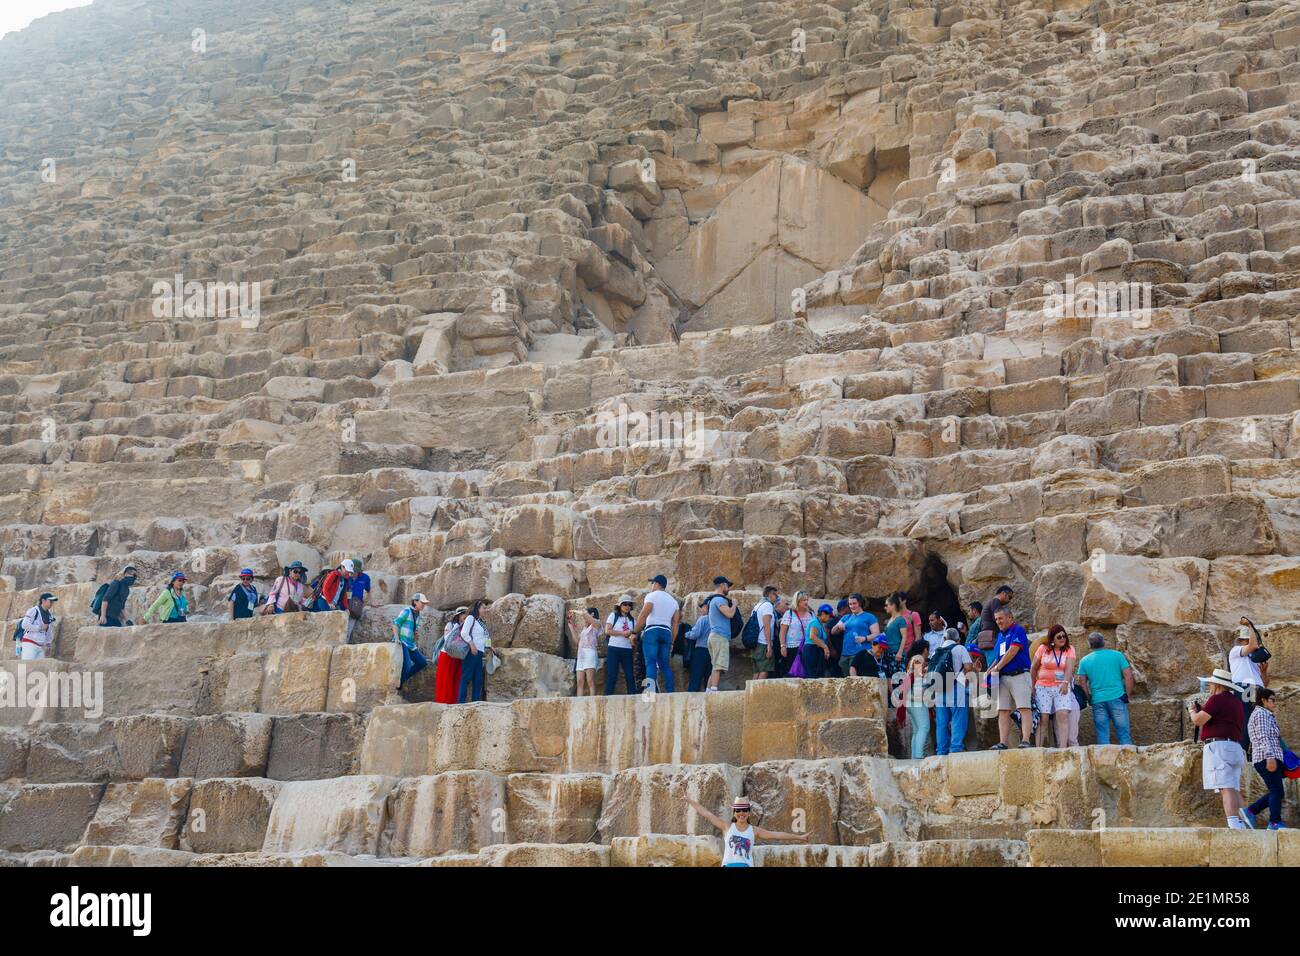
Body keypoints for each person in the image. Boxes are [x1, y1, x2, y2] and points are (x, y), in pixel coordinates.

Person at [1187, 669, 1247, 829]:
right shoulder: (1236, 702)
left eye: (1211, 684)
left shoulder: (1217, 699)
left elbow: (1198, 720)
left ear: (1218, 685)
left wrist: (1192, 711)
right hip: (1234, 747)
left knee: (1225, 787)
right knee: (1234, 788)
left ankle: (1234, 826)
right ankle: (1243, 823)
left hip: (1220, 748)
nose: (1210, 687)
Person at [684, 796, 808, 867]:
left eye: (744, 810)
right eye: (738, 810)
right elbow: (706, 814)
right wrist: (689, 800)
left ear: (749, 812)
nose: (741, 813)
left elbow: (776, 835)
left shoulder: (754, 830)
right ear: (734, 813)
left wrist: (799, 837)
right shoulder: (727, 826)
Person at [1075, 631, 1134, 745]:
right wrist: (1127, 695)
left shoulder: (1084, 661)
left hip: (1098, 700)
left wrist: (1089, 698)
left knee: (1102, 735)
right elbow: (1129, 676)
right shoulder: (1117, 655)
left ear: (1089, 645)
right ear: (1104, 642)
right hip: (1117, 697)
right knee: (1124, 734)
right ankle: (1129, 755)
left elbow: (1082, 683)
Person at [1240, 688, 1287, 830]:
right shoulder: (1261, 714)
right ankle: (1274, 822)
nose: (1274, 703)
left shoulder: (1266, 714)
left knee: (1277, 791)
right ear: (1263, 700)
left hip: (1269, 757)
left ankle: (1250, 811)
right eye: (1272, 700)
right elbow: (1262, 737)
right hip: (1265, 758)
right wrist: (1270, 757)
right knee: (1276, 791)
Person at [986, 605, 1033, 749]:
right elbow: (999, 657)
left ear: (1010, 617)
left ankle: (1025, 740)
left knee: (1024, 708)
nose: (998, 622)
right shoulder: (1001, 635)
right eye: (996, 619)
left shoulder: (1017, 630)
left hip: (1019, 674)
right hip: (1003, 677)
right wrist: (990, 669)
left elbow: (1013, 651)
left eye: (1000, 618)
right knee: (1003, 710)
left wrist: (996, 668)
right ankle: (1003, 742)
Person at [1031, 625, 1075, 748]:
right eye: (1059, 637)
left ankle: (1063, 748)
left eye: (1064, 636)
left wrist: (1065, 683)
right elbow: (1033, 667)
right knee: (1043, 718)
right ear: (1052, 639)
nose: (1062, 639)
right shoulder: (1043, 648)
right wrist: (1033, 685)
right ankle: (1039, 748)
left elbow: (1069, 668)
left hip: (1061, 686)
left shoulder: (1069, 649)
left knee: (1063, 715)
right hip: (1043, 687)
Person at [635, 574, 681, 693]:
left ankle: (650, 693)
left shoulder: (651, 596)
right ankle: (670, 692)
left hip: (652, 631)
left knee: (650, 663)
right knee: (665, 665)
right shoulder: (673, 602)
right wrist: (672, 642)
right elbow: (676, 623)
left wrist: (635, 631)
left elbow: (644, 614)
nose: (652, 586)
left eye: (653, 583)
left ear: (657, 584)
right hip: (666, 632)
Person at [932, 627, 973, 755]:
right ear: (958, 640)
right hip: (956, 688)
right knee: (958, 719)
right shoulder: (960, 648)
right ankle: (955, 750)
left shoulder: (936, 651)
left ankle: (941, 751)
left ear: (944, 638)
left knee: (941, 722)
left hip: (940, 688)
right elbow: (968, 667)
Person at [1228, 616, 1265, 752]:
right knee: (1245, 721)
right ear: (1242, 641)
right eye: (1247, 639)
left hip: (1258, 689)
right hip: (1244, 688)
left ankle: (1258, 754)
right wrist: (1250, 626)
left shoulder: (1255, 658)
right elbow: (1254, 645)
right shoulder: (1235, 650)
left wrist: (1264, 672)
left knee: (1260, 722)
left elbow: (1265, 682)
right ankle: (1242, 752)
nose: (1250, 641)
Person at [701, 576, 736, 691]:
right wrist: (734, 604)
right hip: (719, 636)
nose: (728, 588)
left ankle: (708, 691)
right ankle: (714, 691)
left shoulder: (713, 600)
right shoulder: (719, 600)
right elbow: (730, 614)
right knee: (718, 666)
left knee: (715, 666)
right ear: (722, 585)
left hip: (714, 636)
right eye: (727, 586)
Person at [832, 593, 880, 676]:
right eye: (850, 604)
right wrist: (838, 626)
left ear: (860, 603)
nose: (852, 606)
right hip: (845, 654)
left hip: (861, 653)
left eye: (854, 603)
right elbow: (833, 632)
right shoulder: (846, 617)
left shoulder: (869, 617)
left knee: (859, 680)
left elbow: (876, 634)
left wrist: (865, 638)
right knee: (847, 680)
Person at [901, 640, 931, 759]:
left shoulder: (912, 659)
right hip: (915, 699)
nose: (928, 652)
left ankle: (914, 757)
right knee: (924, 727)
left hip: (909, 698)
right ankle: (918, 757)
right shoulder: (919, 659)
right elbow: (918, 680)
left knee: (917, 730)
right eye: (928, 650)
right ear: (925, 650)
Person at [392, 593, 430, 685]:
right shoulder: (407, 611)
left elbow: (411, 629)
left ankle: (401, 681)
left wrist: (415, 635)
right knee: (407, 665)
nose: (423, 605)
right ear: (415, 602)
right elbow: (396, 623)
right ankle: (398, 685)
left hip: (411, 644)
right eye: (422, 603)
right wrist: (396, 638)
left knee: (422, 662)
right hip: (402, 642)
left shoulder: (418, 615)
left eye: (424, 603)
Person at [457, 599, 491, 703]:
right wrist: (471, 645)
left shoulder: (480, 622)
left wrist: (490, 646)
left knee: (478, 679)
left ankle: (475, 702)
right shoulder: (470, 618)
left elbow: (484, 637)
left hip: (479, 653)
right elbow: (464, 633)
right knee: (466, 677)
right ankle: (461, 703)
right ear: (478, 609)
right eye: (483, 608)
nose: (485, 610)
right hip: (472, 651)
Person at [604, 596, 638, 695]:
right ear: (620, 605)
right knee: (612, 675)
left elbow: (635, 636)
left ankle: (632, 698)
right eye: (625, 604)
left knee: (630, 675)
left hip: (627, 649)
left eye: (629, 604)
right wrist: (623, 633)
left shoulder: (633, 620)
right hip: (613, 648)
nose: (627, 606)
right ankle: (607, 698)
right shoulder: (613, 616)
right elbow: (607, 631)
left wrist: (633, 638)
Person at [434, 606, 467, 704]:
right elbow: (447, 638)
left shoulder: (466, 627)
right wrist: (457, 628)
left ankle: (453, 702)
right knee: (445, 679)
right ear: (459, 615)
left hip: (458, 656)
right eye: (464, 614)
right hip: (447, 655)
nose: (465, 616)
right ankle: (443, 701)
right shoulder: (450, 625)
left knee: (456, 679)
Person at [778, 591, 814, 677]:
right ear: (797, 601)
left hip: (808, 646)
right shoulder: (789, 614)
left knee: (807, 671)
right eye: (803, 600)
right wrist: (782, 646)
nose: (806, 602)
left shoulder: (811, 614)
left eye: (807, 600)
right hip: (792, 648)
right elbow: (782, 632)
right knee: (793, 671)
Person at [569, 607, 601, 697]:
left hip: (590, 653)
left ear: (592, 614)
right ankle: (579, 701)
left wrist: (574, 611)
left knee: (590, 680)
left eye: (586, 614)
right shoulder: (584, 629)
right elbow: (577, 642)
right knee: (579, 682)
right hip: (581, 655)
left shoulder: (596, 624)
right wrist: (571, 626)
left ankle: (592, 701)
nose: (583, 617)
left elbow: (586, 616)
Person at [976, 587, 1013, 663]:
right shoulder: (996, 601)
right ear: (1003, 593)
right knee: (995, 663)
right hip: (992, 638)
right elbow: (999, 620)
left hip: (988, 638)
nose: (1009, 600)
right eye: (1009, 597)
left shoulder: (991, 602)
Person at [750, 586, 779, 679]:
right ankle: (758, 689)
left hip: (755, 642)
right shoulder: (768, 605)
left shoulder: (757, 606)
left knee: (756, 671)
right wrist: (769, 645)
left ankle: (752, 689)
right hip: (763, 643)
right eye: (775, 594)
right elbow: (767, 625)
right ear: (770, 594)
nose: (777, 597)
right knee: (764, 670)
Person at [17, 593, 58, 660]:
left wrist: (48, 644)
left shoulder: (49, 615)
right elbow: (24, 625)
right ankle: (20, 668)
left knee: (37, 666)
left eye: (52, 601)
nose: (52, 603)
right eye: (50, 601)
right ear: (43, 600)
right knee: (25, 664)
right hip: (29, 643)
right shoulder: (33, 610)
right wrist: (40, 628)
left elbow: (48, 631)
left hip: (41, 646)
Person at [801, 604, 834, 679]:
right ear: (823, 614)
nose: (830, 619)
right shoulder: (815, 622)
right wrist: (825, 647)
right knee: (812, 675)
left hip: (815, 650)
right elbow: (813, 636)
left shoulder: (820, 624)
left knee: (817, 675)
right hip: (811, 650)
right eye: (829, 616)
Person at [685, 612, 713, 692]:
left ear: (706, 607)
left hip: (701, 650)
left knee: (695, 677)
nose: (701, 609)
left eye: (702, 606)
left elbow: (695, 634)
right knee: (709, 678)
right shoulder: (718, 619)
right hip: (713, 652)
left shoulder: (703, 619)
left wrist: (686, 634)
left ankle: (691, 698)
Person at [348, 557, 372, 641]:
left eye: (355, 571)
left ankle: (346, 641)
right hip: (345, 603)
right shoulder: (346, 576)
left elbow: (368, 591)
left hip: (356, 604)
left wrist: (371, 602)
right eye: (352, 570)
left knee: (351, 625)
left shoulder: (365, 578)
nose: (353, 573)